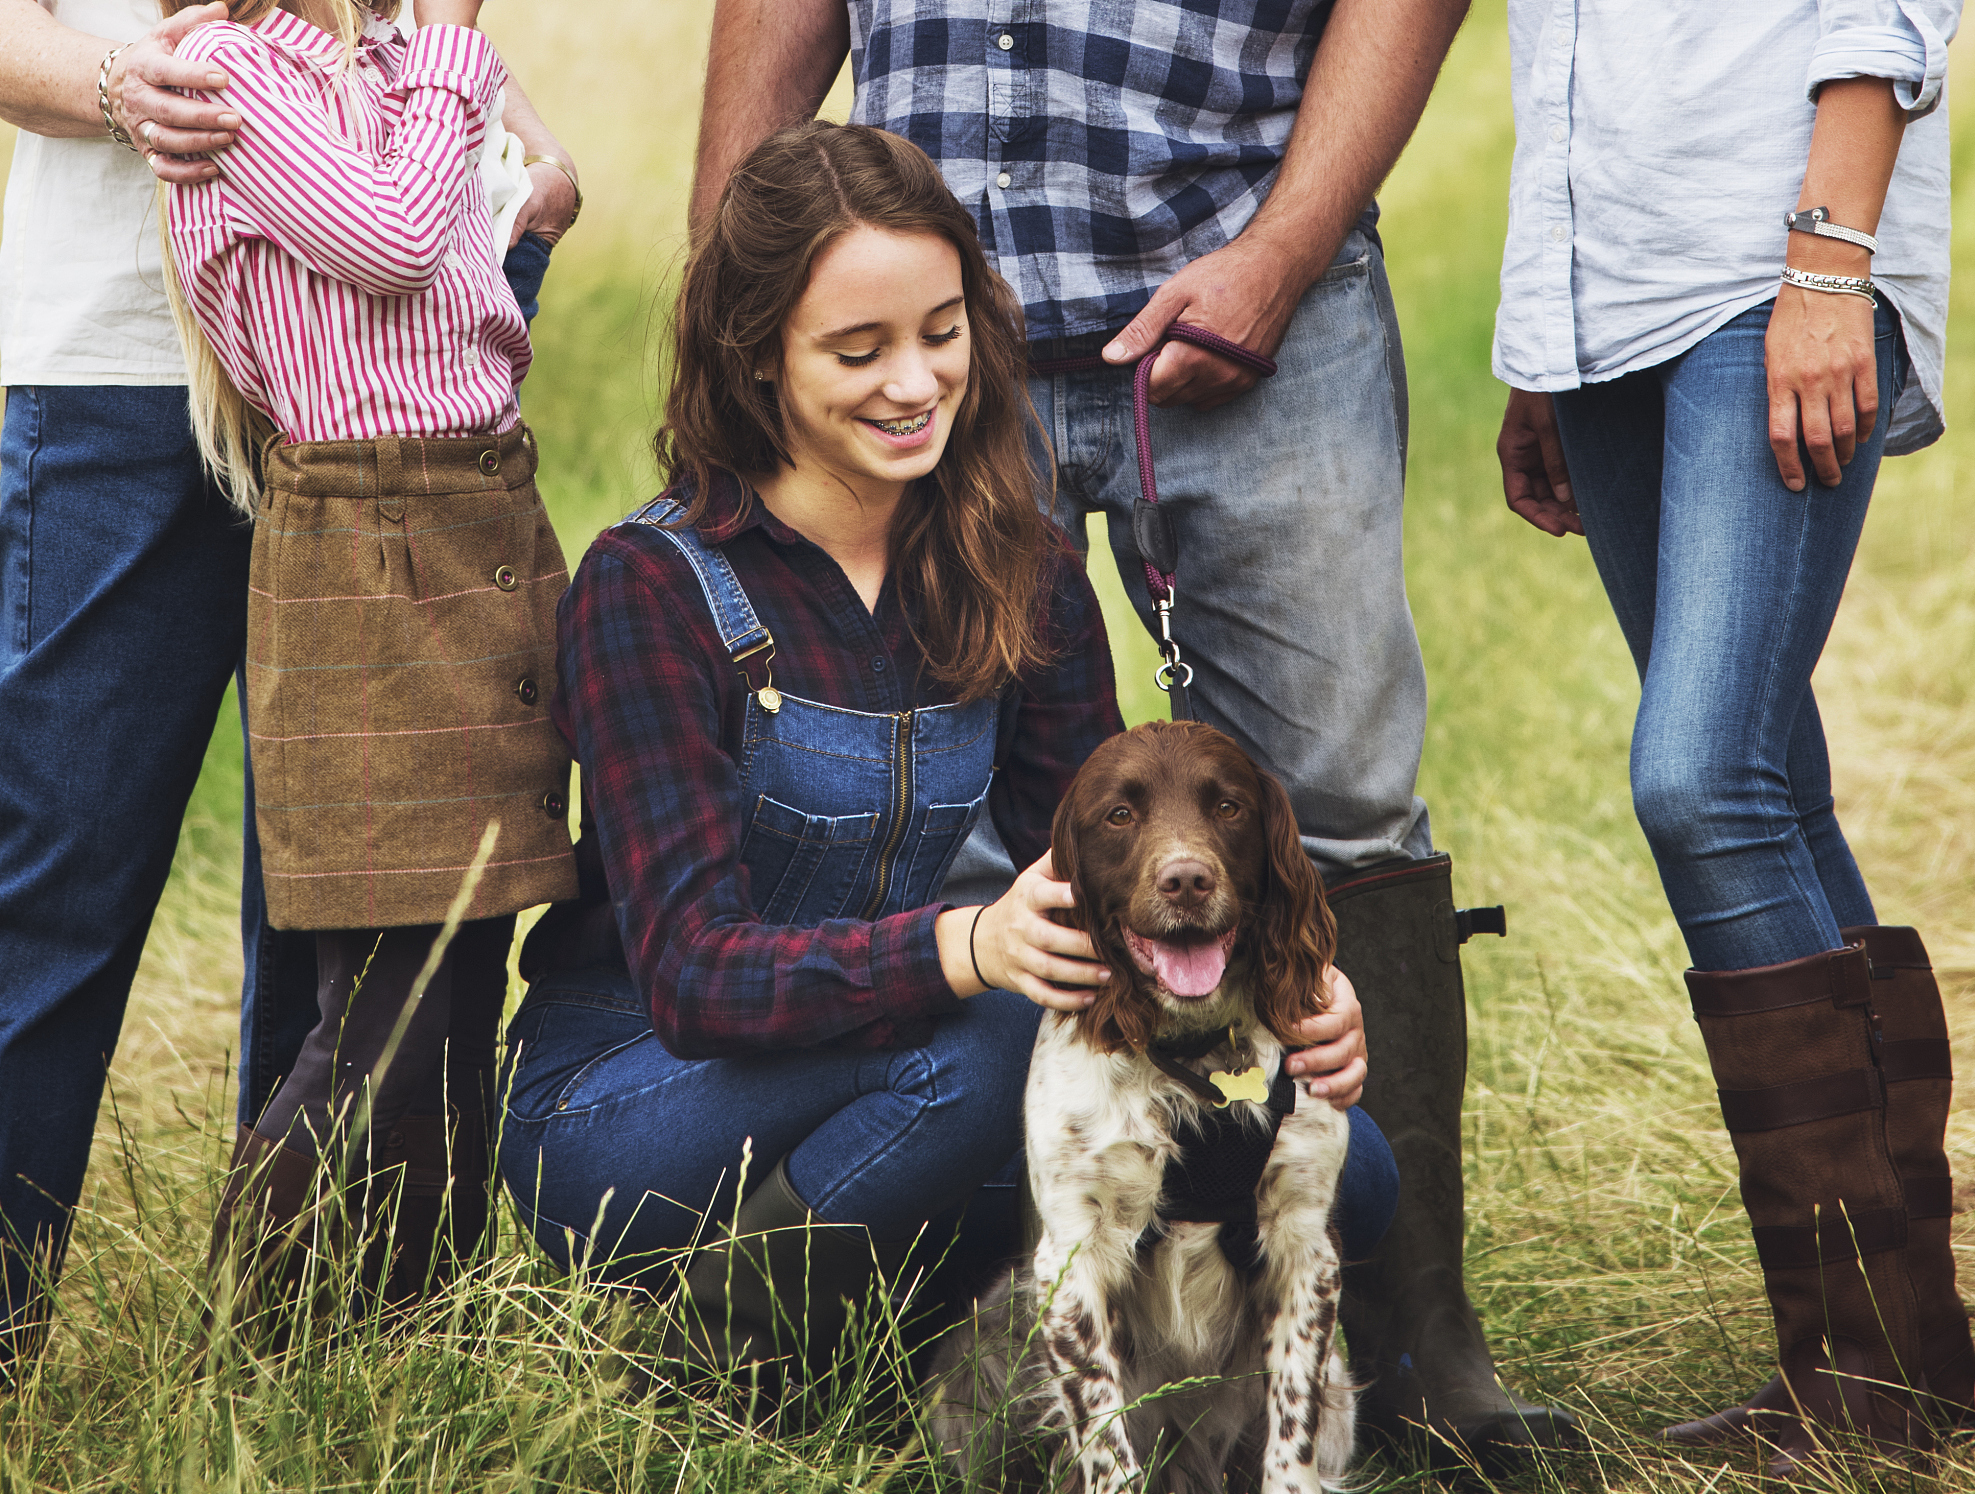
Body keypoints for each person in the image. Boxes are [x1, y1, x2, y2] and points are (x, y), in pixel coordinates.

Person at [685, 0, 1579, 1467]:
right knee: (966, 846)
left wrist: (1287, 249)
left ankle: (1415, 1339)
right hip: (929, 348)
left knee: (1340, 815)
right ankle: (990, 1351)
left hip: (1257, 285)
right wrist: (744, 292)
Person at [499, 122, 1399, 1410]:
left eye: (941, 331)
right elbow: (692, 974)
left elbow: (1107, 864)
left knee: (1343, 1166)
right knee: (986, 1060)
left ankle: (899, 1341)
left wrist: (1287, 991)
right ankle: (708, 1363)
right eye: (856, 352)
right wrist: (960, 952)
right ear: (756, 361)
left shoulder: (1016, 561)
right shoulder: (654, 585)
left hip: (907, 1052)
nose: (915, 383)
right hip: (630, 1098)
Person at [0, 0, 578, 1369]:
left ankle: (306, 1356)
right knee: (54, 871)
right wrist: (126, 84)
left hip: (381, 410)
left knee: (353, 906)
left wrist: (509, 136)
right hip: (118, 373)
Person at [1493, 2, 1973, 1474]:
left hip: (1767, 268)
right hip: (1603, 300)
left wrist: (1829, 266)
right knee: (1771, 783)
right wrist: (1539, 334)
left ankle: (1861, 1372)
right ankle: (1900, 1352)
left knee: (1700, 777)